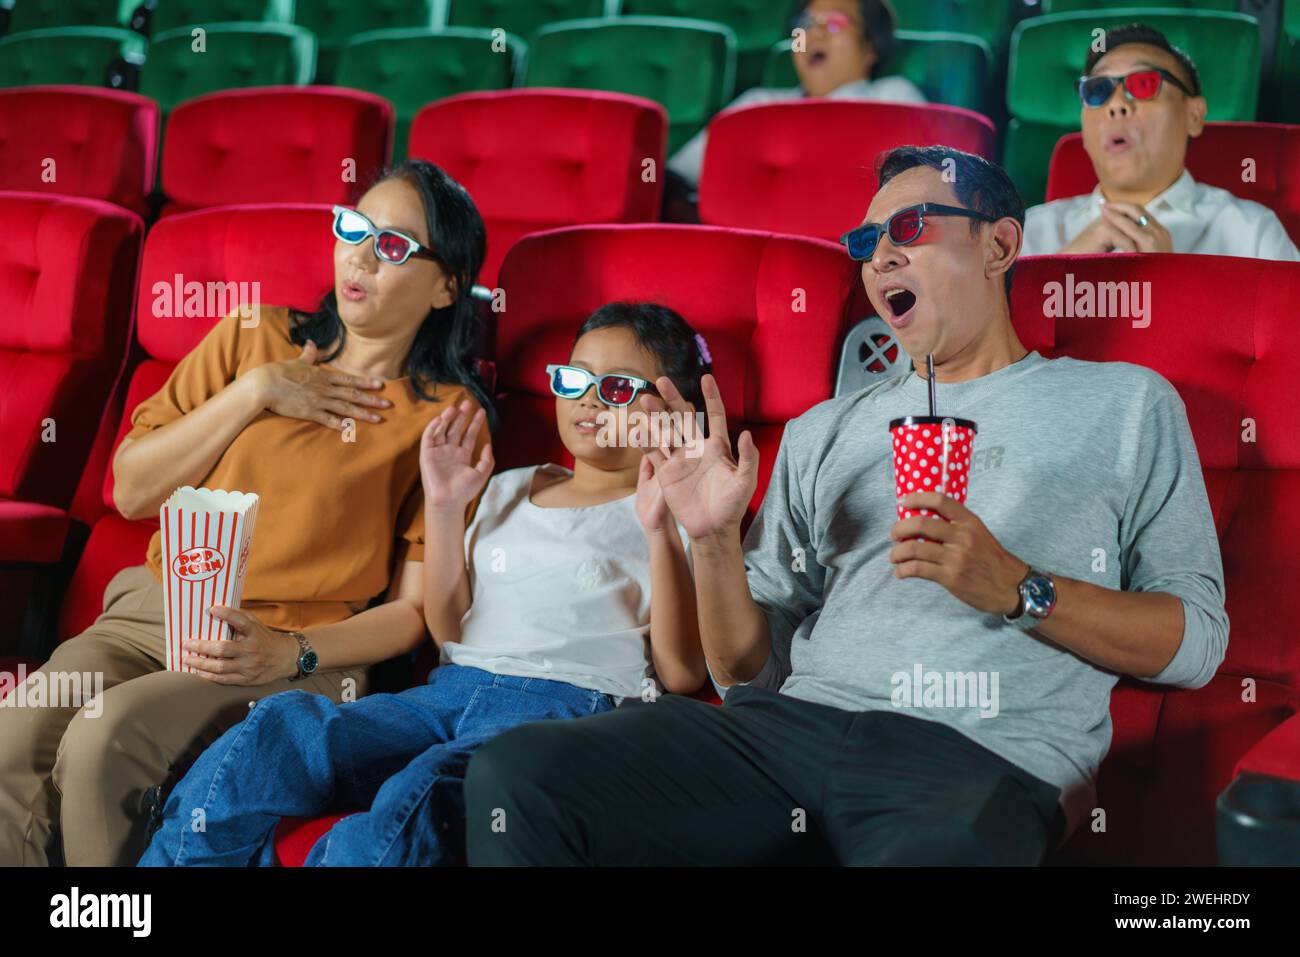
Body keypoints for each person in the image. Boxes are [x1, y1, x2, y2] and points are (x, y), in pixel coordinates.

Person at [462, 145, 1229, 866]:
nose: (881, 255)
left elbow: (1195, 642)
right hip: (782, 737)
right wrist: (716, 540)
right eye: (867, 240)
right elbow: (744, 674)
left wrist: (1020, 588)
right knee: (518, 775)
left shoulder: (1124, 403)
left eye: (910, 228)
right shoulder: (822, 429)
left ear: (998, 246)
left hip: (976, 760)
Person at [0, 160, 494, 866]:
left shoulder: (446, 416)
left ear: (447, 285)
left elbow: (418, 615)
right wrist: (256, 393)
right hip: (156, 607)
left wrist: (290, 651)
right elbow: (131, 490)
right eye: (354, 229)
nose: (359, 255)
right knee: (13, 735)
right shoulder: (251, 339)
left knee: (104, 741)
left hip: (287, 648)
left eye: (392, 246)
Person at [138, 302, 707, 866]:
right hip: (446, 692)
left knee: (425, 788)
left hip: (563, 711)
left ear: (676, 410)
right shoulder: (509, 487)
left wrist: (659, 530)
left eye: (617, 389)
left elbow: (682, 673)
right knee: (281, 727)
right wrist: (443, 505)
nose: (587, 398)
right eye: (576, 378)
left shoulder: (683, 510)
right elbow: (446, 627)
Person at [1021, 23, 1299, 260]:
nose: (1116, 105)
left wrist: (1172, 284)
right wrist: (1054, 275)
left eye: (1143, 84)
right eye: (1097, 91)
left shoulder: (1252, 233)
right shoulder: (1029, 234)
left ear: (1194, 115)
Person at [666, 0, 926, 191]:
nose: (815, 34)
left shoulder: (892, 97)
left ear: (871, 47)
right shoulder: (758, 104)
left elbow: (928, 179)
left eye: (835, 23)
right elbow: (679, 176)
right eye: (805, 24)